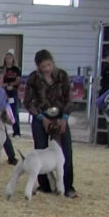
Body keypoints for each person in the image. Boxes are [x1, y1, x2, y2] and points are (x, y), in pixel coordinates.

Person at [24, 49, 77, 198]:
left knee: (65, 151)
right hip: (41, 117)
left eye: (49, 65)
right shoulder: (33, 78)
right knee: (40, 151)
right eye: (43, 66)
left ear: (53, 63)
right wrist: (42, 118)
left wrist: (64, 118)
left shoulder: (62, 76)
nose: (46, 69)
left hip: (61, 116)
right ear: (37, 67)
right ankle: (45, 186)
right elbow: (28, 101)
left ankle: (67, 187)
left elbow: (69, 98)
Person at [1, 50, 22, 137]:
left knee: (14, 111)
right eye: (7, 58)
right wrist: (5, 85)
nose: (8, 59)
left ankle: (16, 132)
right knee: (2, 110)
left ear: (13, 59)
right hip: (3, 91)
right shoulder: (1, 69)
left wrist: (9, 84)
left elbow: (18, 81)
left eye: (10, 58)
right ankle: (1, 130)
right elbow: (0, 80)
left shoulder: (16, 69)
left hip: (13, 91)